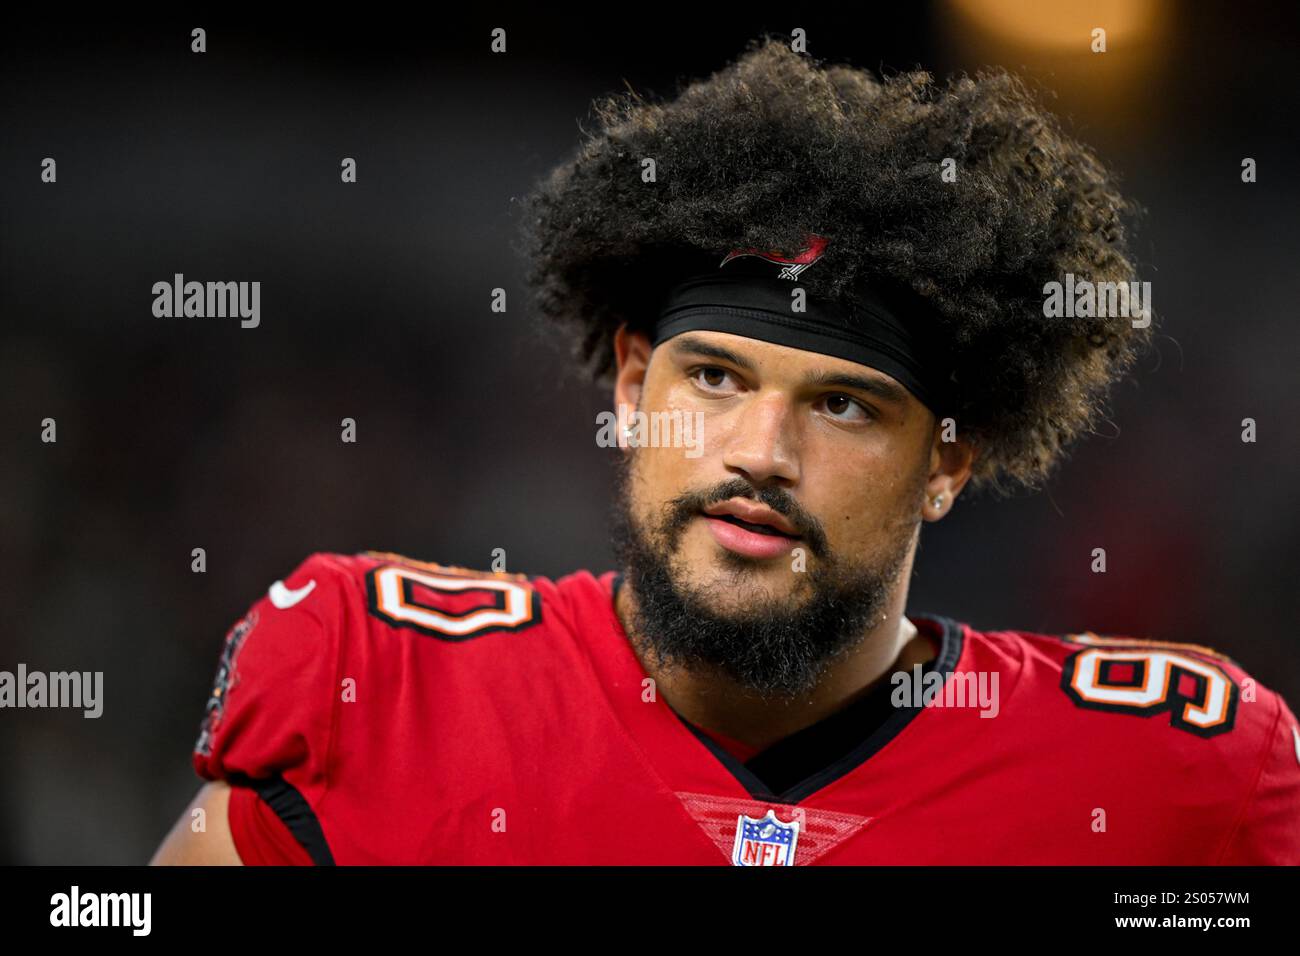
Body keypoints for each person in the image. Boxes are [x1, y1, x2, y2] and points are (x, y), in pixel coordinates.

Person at [152, 38, 1299, 865]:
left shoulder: (1178, 775)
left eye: (843, 404)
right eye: (714, 378)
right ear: (630, 385)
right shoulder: (375, 683)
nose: (761, 452)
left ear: (948, 461)